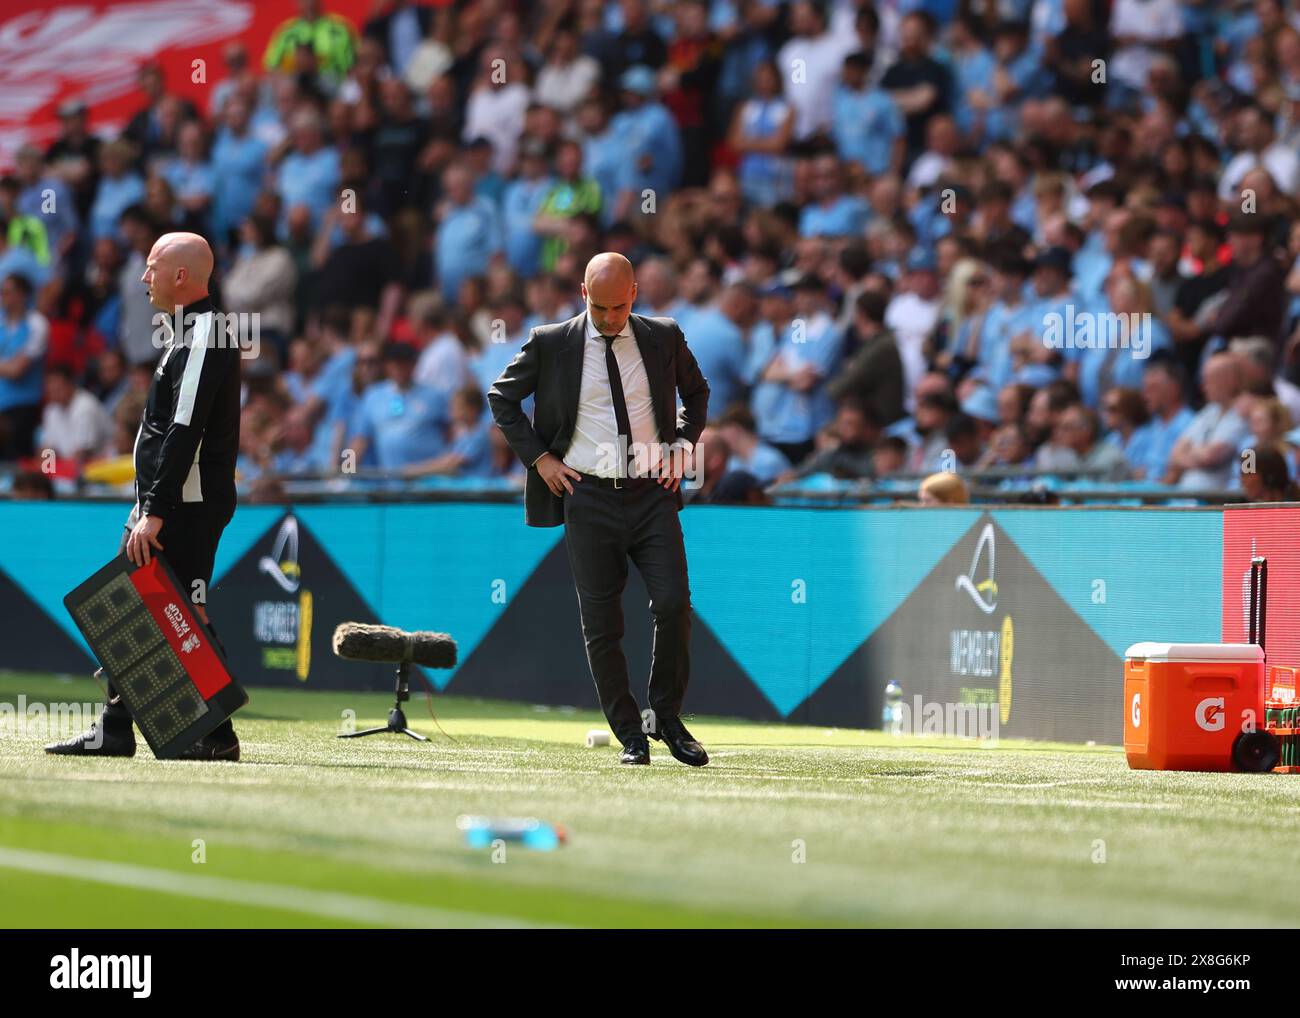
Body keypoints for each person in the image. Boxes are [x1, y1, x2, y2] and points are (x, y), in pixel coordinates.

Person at [487, 252, 710, 766]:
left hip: (652, 493)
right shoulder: (551, 342)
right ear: (584, 294)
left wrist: (681, 445)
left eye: (618, 306)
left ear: (634, 293)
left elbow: (696, 394)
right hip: (585, 496)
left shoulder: (662, 336)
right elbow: (503, 399)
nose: (609, 318)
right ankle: (630, 734)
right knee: (602, 623)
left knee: (675, 603)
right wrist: (541, 460)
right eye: (600, 307)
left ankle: (667, 718)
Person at [47, 233, 243, 761]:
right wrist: (146, 503)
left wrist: (155, 510)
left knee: (184, 612)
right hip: (167, 499)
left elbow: (185, 429)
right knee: (140, 607)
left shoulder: (209, 334)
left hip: (186, 504)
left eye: (152, 267)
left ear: (181, 276)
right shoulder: (187, 334)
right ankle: (116, 726)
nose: (143, 277)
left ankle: (218, 735)